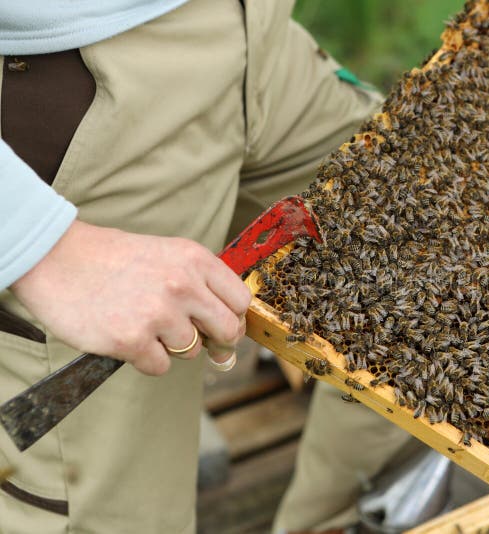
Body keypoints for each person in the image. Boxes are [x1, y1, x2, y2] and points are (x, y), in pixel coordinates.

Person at [0, 1, 410, 531]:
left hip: (249, 32)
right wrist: (39, 241)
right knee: (121, 512)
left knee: (441, 267)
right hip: (72, 86)